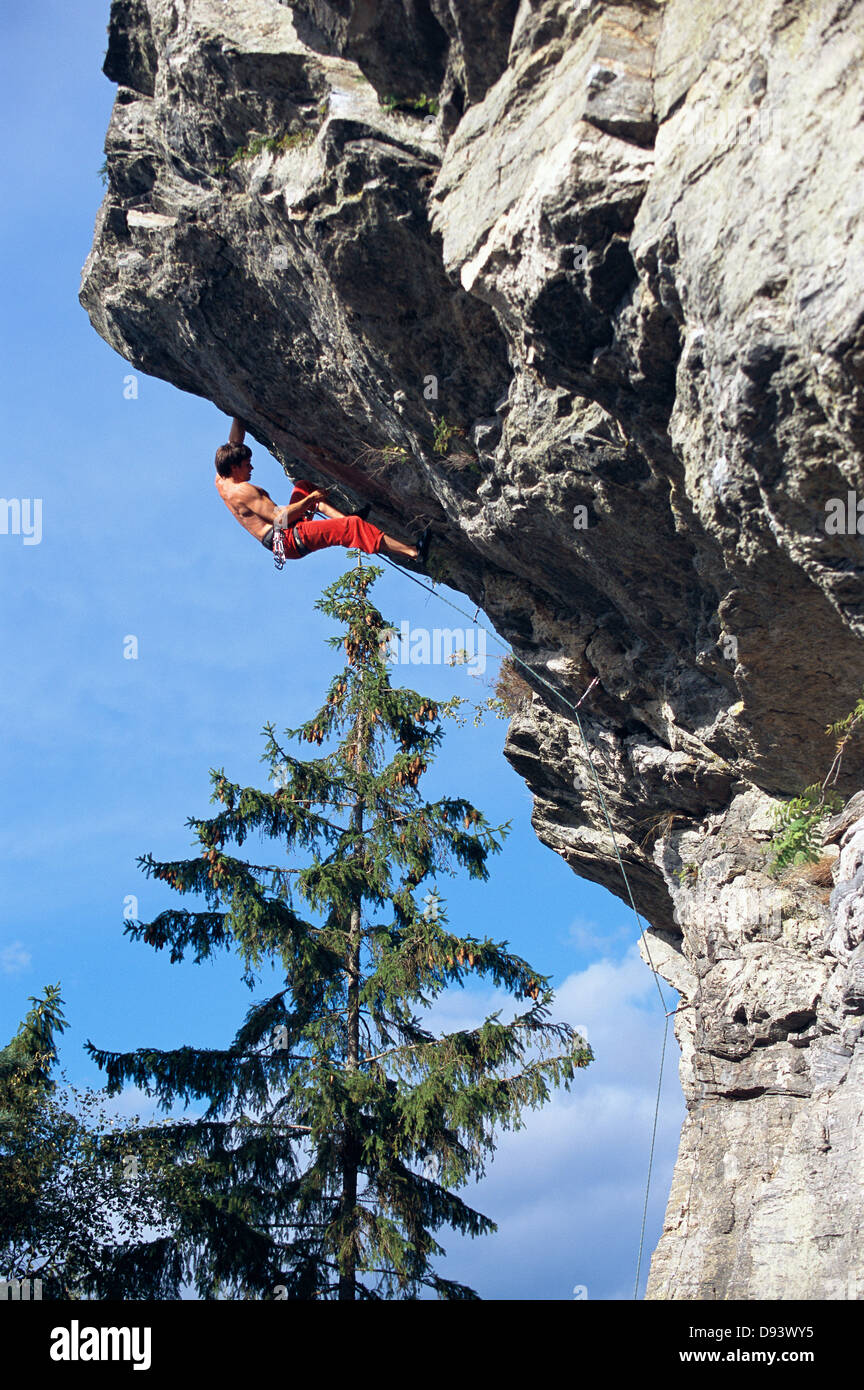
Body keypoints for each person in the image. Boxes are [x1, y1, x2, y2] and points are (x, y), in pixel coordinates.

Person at [214, 418, 429, 564]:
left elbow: (234, 442)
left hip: (281, 535)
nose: (251, 468)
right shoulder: (244, 491)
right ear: (235, 467)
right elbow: (281, 519)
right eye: (247, 465)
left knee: (303, 486)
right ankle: (413, 551)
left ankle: (343, 518)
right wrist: (310, 500)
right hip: (287, 538)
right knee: (351, 526)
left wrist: (237, 415)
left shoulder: (222, 478)